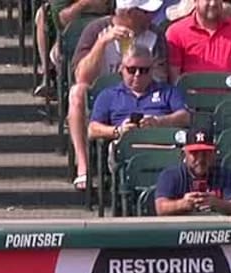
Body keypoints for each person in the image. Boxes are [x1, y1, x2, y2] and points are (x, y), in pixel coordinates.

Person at [68, 0, 168, 190]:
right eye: (145, 12)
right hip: (103, 98)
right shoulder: (95, 29)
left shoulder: (155, 35)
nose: (151, 16)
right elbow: (81, 76)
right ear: (129, 13)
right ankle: (83, 166)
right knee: (77, 93)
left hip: (141, 97)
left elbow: (160, 79)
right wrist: (102, 43)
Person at [88, 45, 191, 145]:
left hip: (160, 144)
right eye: (132, 70)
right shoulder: (109, 95)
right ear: (122, 69)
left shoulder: (167, 92)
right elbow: (92, 129)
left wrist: (159, 122)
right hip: (124, 146)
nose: (137, 74)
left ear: (151, 70)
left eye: (143, 70)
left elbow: (186, 117)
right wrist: (118, 131)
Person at [153, 129, 231, 214]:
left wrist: (216, 203)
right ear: (184, 154)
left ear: (213, 154)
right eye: (195, 153)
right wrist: (182, 204)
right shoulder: (171, 175)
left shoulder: (226, 175)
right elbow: (160, 208)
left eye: (205, 153)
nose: (200, 159)